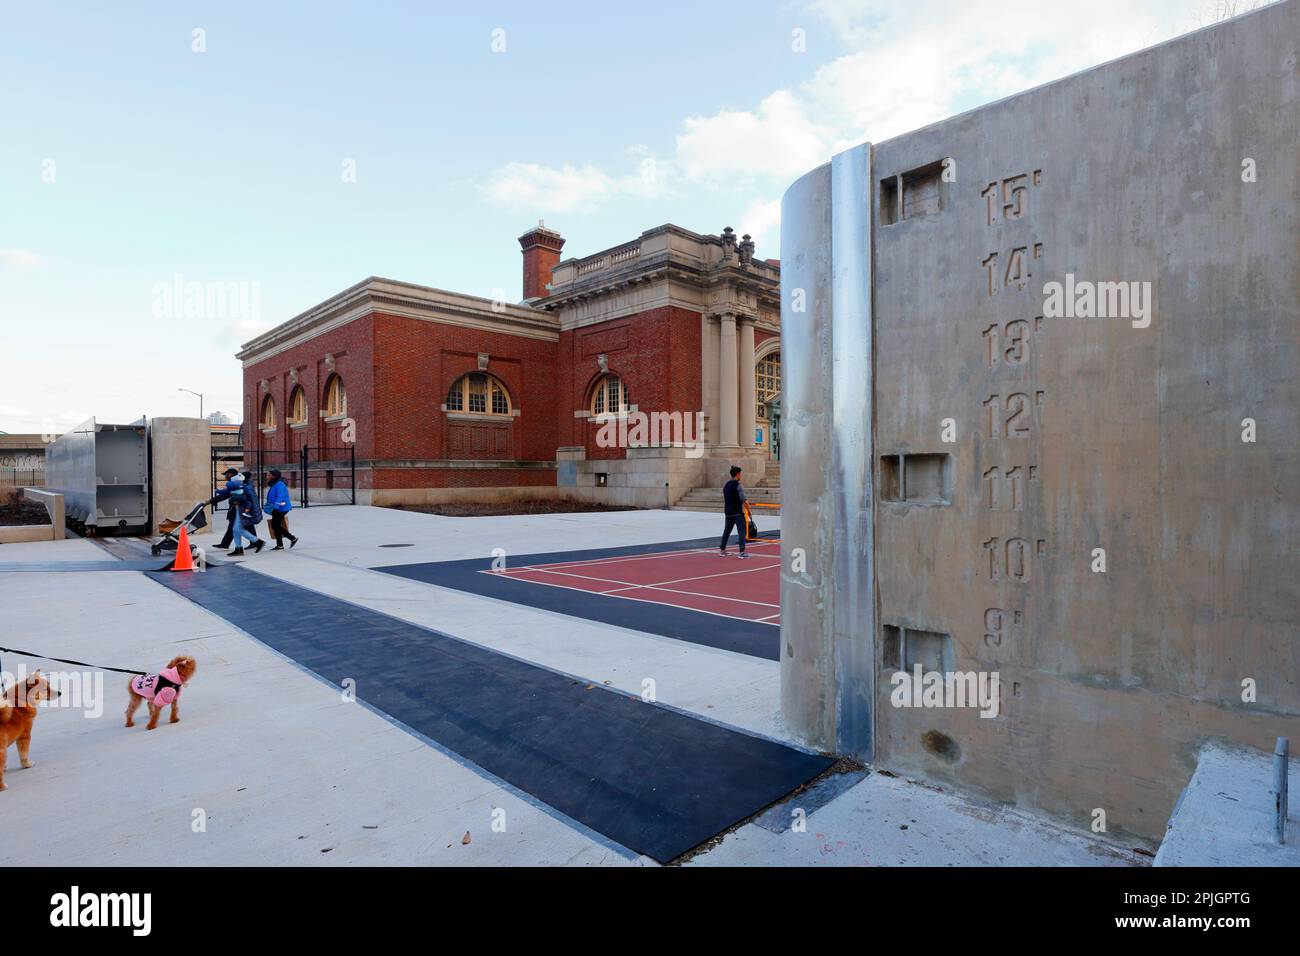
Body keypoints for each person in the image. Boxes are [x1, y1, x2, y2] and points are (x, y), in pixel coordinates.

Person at [227, 475, 266, 556]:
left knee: (238, 529)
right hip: (239, 510)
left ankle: (258, 542)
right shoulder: (242, 487)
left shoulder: (245, 488)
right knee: (235, 529)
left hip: (243, 511)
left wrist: (242, 505)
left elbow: (249, 501)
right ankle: (238, 549)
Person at [719, 465, 750, 558]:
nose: (741, 476)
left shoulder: (726, 485)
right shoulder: (738, 485)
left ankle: (722, 550)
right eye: (740, 474)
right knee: (741, 531)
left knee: (727, 531)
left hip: (728, 511)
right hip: (737, 512)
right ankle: (742, 552)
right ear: (737, 474)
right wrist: (748, 509)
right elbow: (743, 499)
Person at [264, 468, 298, 550]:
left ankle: (292, 538)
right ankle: (280, 545)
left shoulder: (279, 484)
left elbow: (280, 496)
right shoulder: (274, 484)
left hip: (281, 508)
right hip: (277, 508)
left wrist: (275, 507)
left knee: (275, 525)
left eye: (269, 475)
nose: (267, 476)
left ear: (274, 476)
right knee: (276, 525)